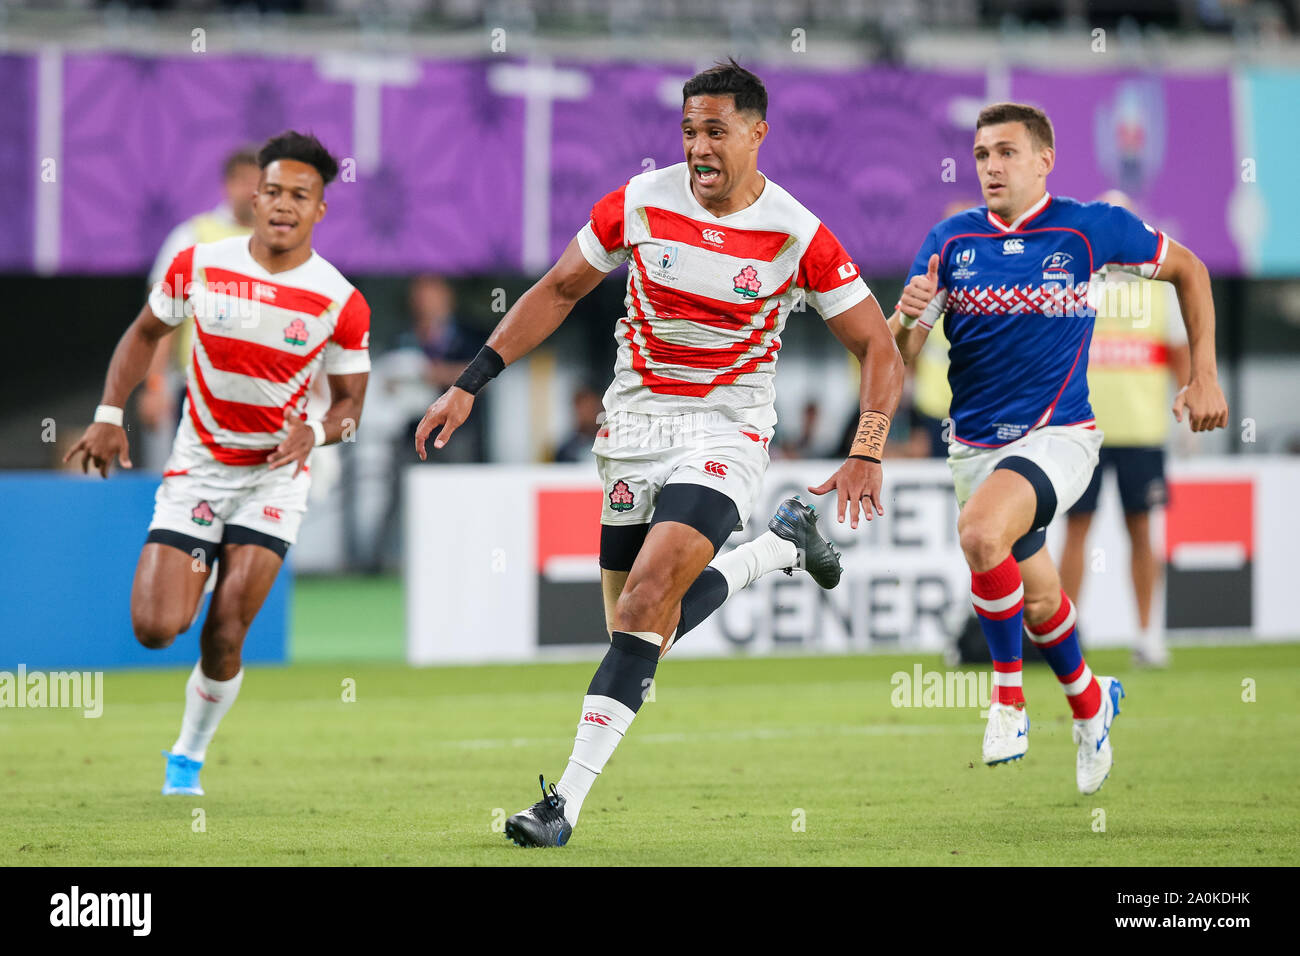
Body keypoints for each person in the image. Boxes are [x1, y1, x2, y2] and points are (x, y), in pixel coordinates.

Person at [415, 60, 903, 846]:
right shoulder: (639, 202)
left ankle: (560, 805)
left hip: (726, 432)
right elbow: (560, 289)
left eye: (715, 131)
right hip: (632, 433)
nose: (698, 147)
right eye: (687, 131)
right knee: (639, 631)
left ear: (756, 132)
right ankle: (776, 550)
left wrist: (867, 449)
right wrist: (473, 381)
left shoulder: (797, 234)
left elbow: (878, 345)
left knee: (646, 605)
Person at [889, 103, 1227, 794]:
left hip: (1062, 436)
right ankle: (1091, 704)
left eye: (1006, 152)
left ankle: (1008, 702)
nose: (991, 166)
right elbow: (903, 353)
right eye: (982, 154)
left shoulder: (1091, 227)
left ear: (1044, 159)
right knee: (1041, 601)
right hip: (974, 450)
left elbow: (1191, 270)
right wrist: (904, 315)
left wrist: (1205, 374)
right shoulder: (950, 241)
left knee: (981, 534)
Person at [63, 131, 371, 797]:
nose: (283, 205)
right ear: (253, 197)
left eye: (301, 195)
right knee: (154, 629)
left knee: (226, 633)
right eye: (273, 191)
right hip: (198, 470)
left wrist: (315, 431)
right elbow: (146, 333)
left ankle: (187, 758)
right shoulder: (198, 264)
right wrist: (110, 415)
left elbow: (351, 407)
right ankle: (196, 567)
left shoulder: (340, 300)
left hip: (272, 482)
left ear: (320, 209)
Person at [1061, 191, 1191, 669]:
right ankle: (1066, 636)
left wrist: (1189, 414)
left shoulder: (1157, 288)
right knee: (1077, 531)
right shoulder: (1073, 283)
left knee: (1141, 531)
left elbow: (1179, 352)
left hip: (1140, 430)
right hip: (1080, 430)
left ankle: (1147, 636)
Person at [139, 148, 262, 471]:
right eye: (245, 181)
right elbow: (162, 320)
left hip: (264, 397)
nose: (252, 191)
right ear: (228, 185)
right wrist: (155, 387)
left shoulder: (281, 242)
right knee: (197, 490)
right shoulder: (192, 237)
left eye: (260, 183)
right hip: (200, 394)